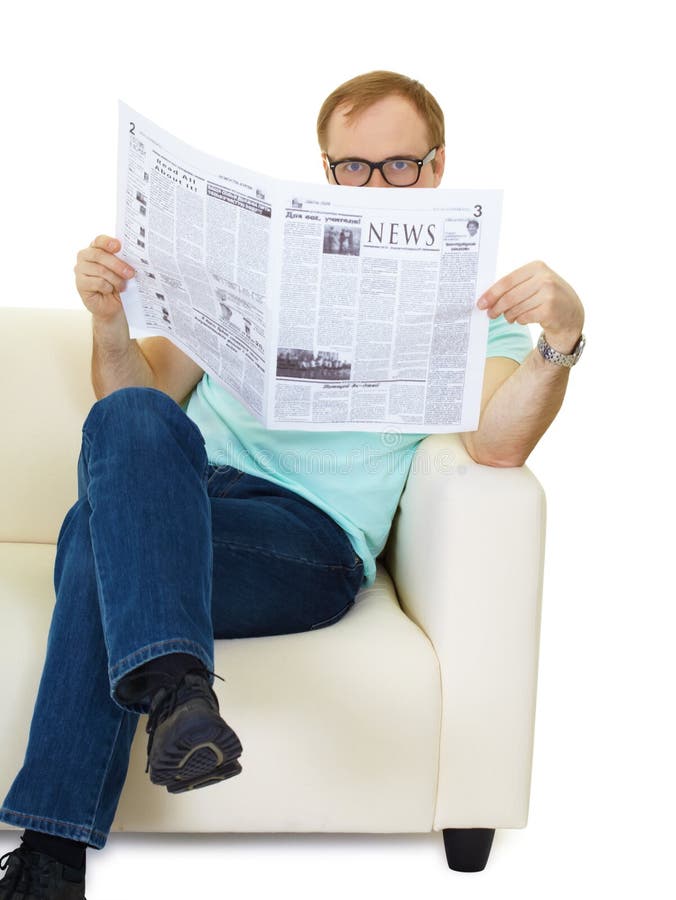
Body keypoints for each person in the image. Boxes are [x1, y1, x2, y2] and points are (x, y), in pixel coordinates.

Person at [0, 70, 585, 898]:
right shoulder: (257, 269)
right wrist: (109, 324)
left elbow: (499, 445)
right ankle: (178, 695)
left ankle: (51, 861)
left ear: (438, 166)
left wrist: (559, 341)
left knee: (93, 540)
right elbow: (136, 398)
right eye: (353, 168)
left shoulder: (476, 317)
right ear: (326, 169)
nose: (375, 188)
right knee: (127, 418)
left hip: (307, 541)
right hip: (184, 493)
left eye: (399, 166)